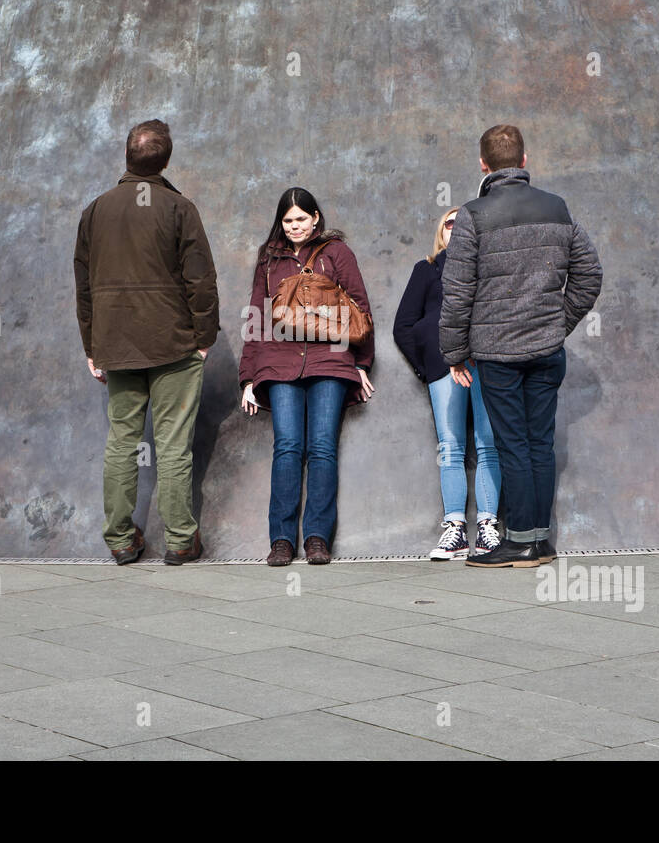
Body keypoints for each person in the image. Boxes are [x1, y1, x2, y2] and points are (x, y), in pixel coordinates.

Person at [440, 124, 602, 569]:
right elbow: (590, 275)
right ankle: (541, 541)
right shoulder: (557, 208)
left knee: (513, 444)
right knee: (540, 444)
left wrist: (454, 352)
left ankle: (520, 543)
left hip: (497, 352)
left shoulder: (473, 215)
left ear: (483, 165)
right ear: (524, 162)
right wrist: (556, 325)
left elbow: (457, 292)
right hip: (547, 350)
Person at [74, 119, 220, 566]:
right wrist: (204, 338)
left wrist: (92, 346)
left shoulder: (95, 211)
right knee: (174, 444)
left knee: (122, 441)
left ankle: (120, 539)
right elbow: (201, 281)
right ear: (167, 159)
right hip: (173, 344)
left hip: (117, 345)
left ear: (126, 155)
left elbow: (84, 284)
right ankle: (179, 540)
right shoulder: (179, 208)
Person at [239, 187, 375, 566]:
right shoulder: (269, 260)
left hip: (329, 362)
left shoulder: (337, 253)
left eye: (301, 219)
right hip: (278, 363)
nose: (295, 226)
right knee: (287, 448)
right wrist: (248, 377)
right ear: (280, 223)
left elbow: (360, 309)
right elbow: (256, 318)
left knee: (322, 448)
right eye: (288, 220)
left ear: (315, 218)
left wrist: (360, 365)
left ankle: (317, 538)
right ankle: (281, 540)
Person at [394, 208, 501, 559]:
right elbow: (404, 326)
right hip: (443, 368)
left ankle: (487, 528)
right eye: (449, 223)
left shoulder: (488, 268)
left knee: (488, 444)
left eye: (463, 222)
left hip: (485, 365)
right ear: (441, 231)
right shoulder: (426, 270)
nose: (455, 228)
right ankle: (454, 529)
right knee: (450, 446)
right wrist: (429, 367)